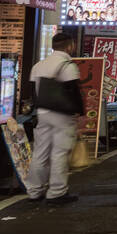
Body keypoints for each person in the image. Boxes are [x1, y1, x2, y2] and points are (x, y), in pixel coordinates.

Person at [27, 31, 83, 206]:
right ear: (70, 45)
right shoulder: (67, 65)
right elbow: (73, 91)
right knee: (60, 152)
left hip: (42, 113)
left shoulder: (38, 65)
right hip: (62, 114)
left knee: (40, 152)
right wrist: (80, 113)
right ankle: (57, 192)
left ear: (53, 46)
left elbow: (32, 92)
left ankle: (34, 190)